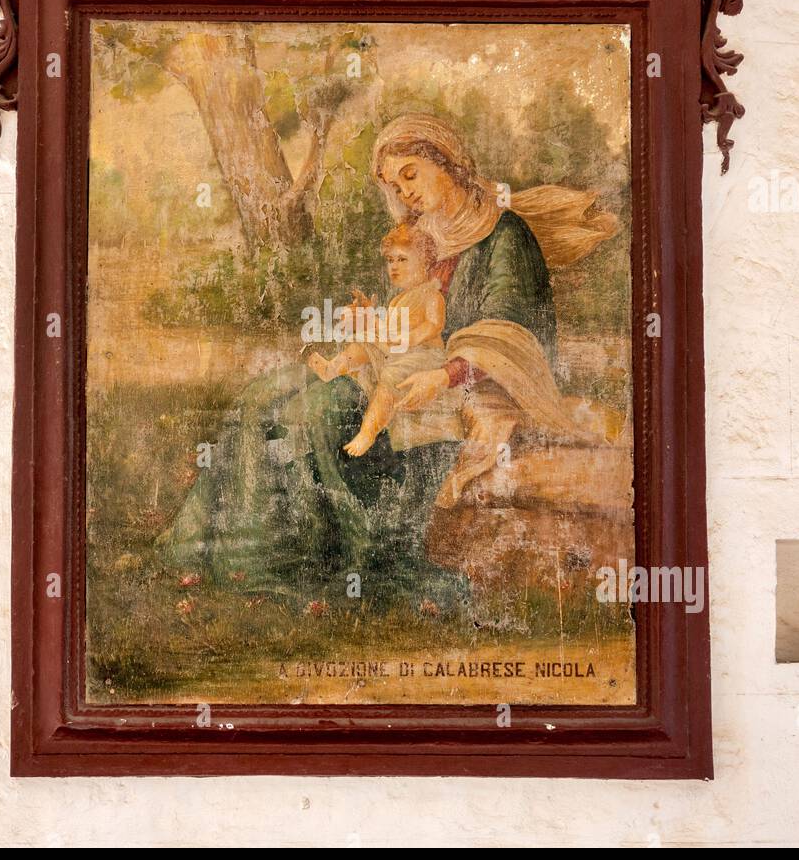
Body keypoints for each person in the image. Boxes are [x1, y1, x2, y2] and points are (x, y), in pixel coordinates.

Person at [157, 112, 618, 612]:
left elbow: (512, 329)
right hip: (400, 366)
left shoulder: (505, 235)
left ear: (448, 162)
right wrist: (369, 322)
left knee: (325, 409)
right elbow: (407, 315)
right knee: (262, 394)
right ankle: (213, 549)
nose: (404, 191)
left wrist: (444, 374)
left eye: (410, 173)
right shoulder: (422, 233)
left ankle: (314, 559)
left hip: (467, 385)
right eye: (394, 183)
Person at [306, 220, 463, 458]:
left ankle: (368, 432)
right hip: (396, 350)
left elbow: (433, 326)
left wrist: (404, 339)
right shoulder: (398, 300)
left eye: (402, 259)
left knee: (389, 379)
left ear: (425, 262)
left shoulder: (432, 295)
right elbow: (387, 328)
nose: (394, 267)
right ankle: (333, 368)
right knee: (363, 343)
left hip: (422, 357)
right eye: (390, 260)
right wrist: (370, 313)